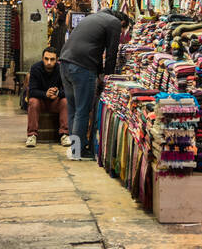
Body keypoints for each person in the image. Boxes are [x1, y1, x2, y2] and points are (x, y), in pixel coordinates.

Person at [60, 8, 132, 160]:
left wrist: (100, 74)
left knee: (73, 109)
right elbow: (112, 53)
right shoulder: (114, 23)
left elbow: (96, 51)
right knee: (82, 110)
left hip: (65, 63)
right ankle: (79, 151)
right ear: (123, 22)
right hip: (81, 67)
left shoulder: (96, 17)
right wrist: (110, 78)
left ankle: (76, 149)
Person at [25, 46, 70, 148]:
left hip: (55, 101)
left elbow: (68, 90)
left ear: (57, 60)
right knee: (33, 101)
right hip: (41, 101)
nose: (49, 62)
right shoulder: (35, 68)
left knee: (65, 101)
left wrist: (57, 93)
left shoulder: (61, 69)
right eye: (46, 59)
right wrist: (45, 94)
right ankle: (32, 135)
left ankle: (64, 134)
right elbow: (32, 91)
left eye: (52, 59)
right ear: (42, 58)